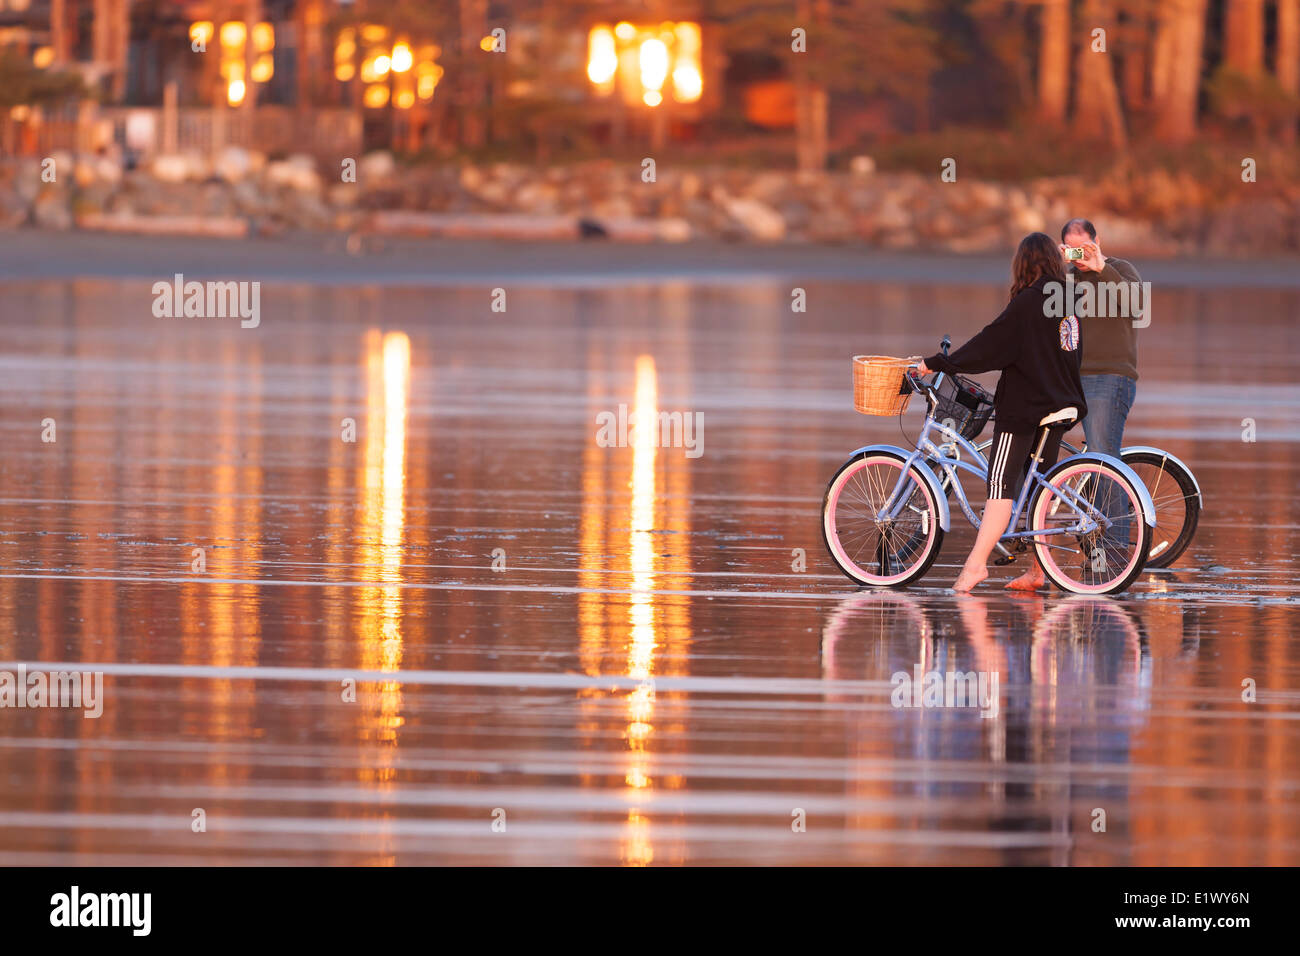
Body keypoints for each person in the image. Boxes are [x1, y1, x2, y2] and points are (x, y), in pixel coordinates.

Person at [916, 232, 1087, 593]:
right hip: (1061, 406)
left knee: (1000, 487)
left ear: (1022, 264)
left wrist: (940, 363)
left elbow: (989, 345)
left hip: (1025, 411)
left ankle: (975, 567)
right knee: (1041, 492)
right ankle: (1039, 572)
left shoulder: (1027, 303)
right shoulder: (1066, 301)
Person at [1058, 218, 1142, 458]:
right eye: (1072, 250)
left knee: (1101, 458)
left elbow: (1136, 306)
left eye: (1085, 248)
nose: (1079, 257)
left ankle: (1110, 496)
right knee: (1032, 441)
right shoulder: (1066, 278)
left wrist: (1101, 268)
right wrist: (1052, 265)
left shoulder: (1121, 269)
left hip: (1108, 378)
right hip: (1069, 379)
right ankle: (1044, 494)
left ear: (1097, 242)